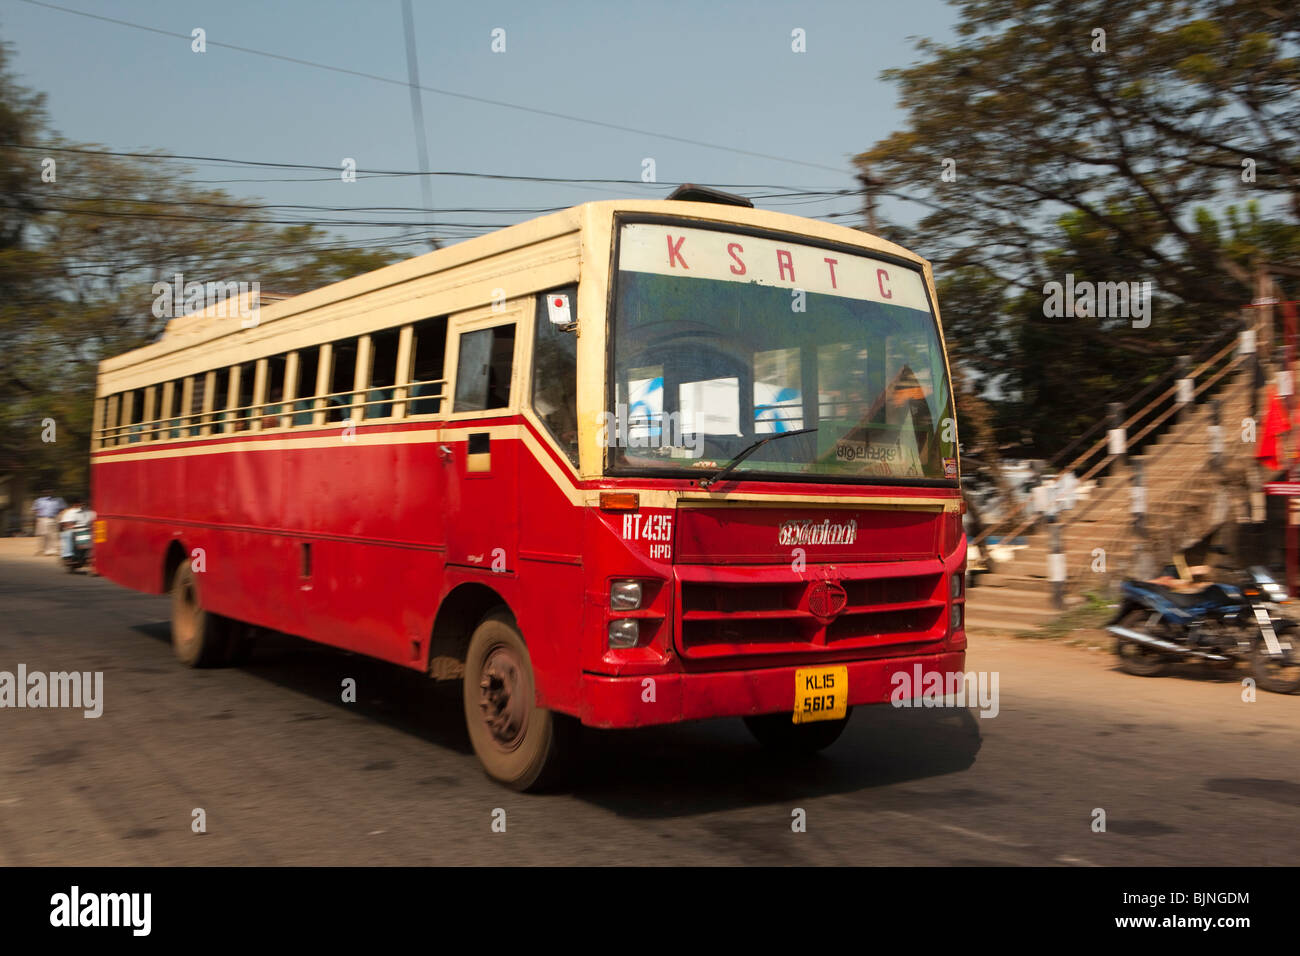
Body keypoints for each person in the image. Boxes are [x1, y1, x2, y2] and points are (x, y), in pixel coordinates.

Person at [58, 497, 96, 565]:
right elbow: (66, 523)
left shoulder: (89, 512)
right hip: (74, 530)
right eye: (81, 503)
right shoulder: (70, 512)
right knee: (69, 534)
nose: (82, 505)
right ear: (75, 504)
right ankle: (68, 555)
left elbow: (93, 521)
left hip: (85, 531)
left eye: (84, 504)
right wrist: (70, 526)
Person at [32, 491, 66, 556]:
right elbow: (35, 509)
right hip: (42, 518)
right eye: (47, 491)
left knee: (54, 535)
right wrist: (38, 517)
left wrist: (58, 516)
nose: (49, 493)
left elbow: (62, 508)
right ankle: (42, 550)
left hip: (54, 518)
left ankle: (54, 551)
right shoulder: (39, 500)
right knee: (43, 535)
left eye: (51, 491)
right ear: (44, 492)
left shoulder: (58, 500)